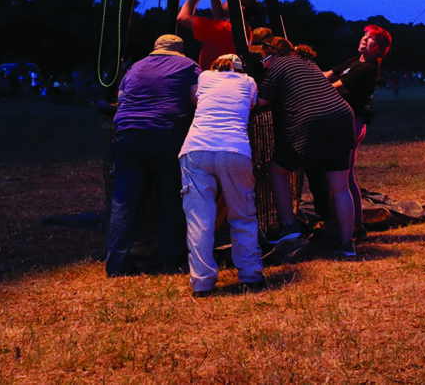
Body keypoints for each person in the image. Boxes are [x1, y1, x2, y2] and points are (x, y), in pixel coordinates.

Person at [107, 34, 198, 277]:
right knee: (172, 198)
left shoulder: (135, 67)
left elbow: (121, 98)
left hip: (127, 134)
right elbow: (196, 97)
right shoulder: (189, 66)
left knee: (124, 202)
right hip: (165, 133)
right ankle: (169, 259)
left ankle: (116, 263)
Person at [259, 45, 359, 258]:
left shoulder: (280, 64)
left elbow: (262, 100)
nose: (265, 64)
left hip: (311, 121)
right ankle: (346, 244)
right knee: (340, 187)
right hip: (341, 116)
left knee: (277, 171)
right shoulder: (309, 64)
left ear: (275, 54)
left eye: (264, 59)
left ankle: (289, 226)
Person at [179, 54, 264, 296]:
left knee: (199, 219)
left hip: (196, 149)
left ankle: (203, 282)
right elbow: (251, 106)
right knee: (243, 215)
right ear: (240, 68)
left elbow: (195, 99)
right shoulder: (248, 82)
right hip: (234, 149)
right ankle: (251, 275)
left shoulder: (204, 77)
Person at [326, 24, 390, 241]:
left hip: (350, 124)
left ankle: (341, 229)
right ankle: (355, 226)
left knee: (339, 180)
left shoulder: (367, 69)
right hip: (350, 122)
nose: (365, 38)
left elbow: (334, 88)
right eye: (365, 34)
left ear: (378, 49)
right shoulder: (355, 62)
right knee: (347, 178)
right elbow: (327, 75)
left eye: (371, 38)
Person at [176, 0, 235, 69]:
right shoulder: (244, 29)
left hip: (212, 78)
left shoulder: (221, 29)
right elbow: (219, 17)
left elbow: (182, 17)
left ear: (241, 8)